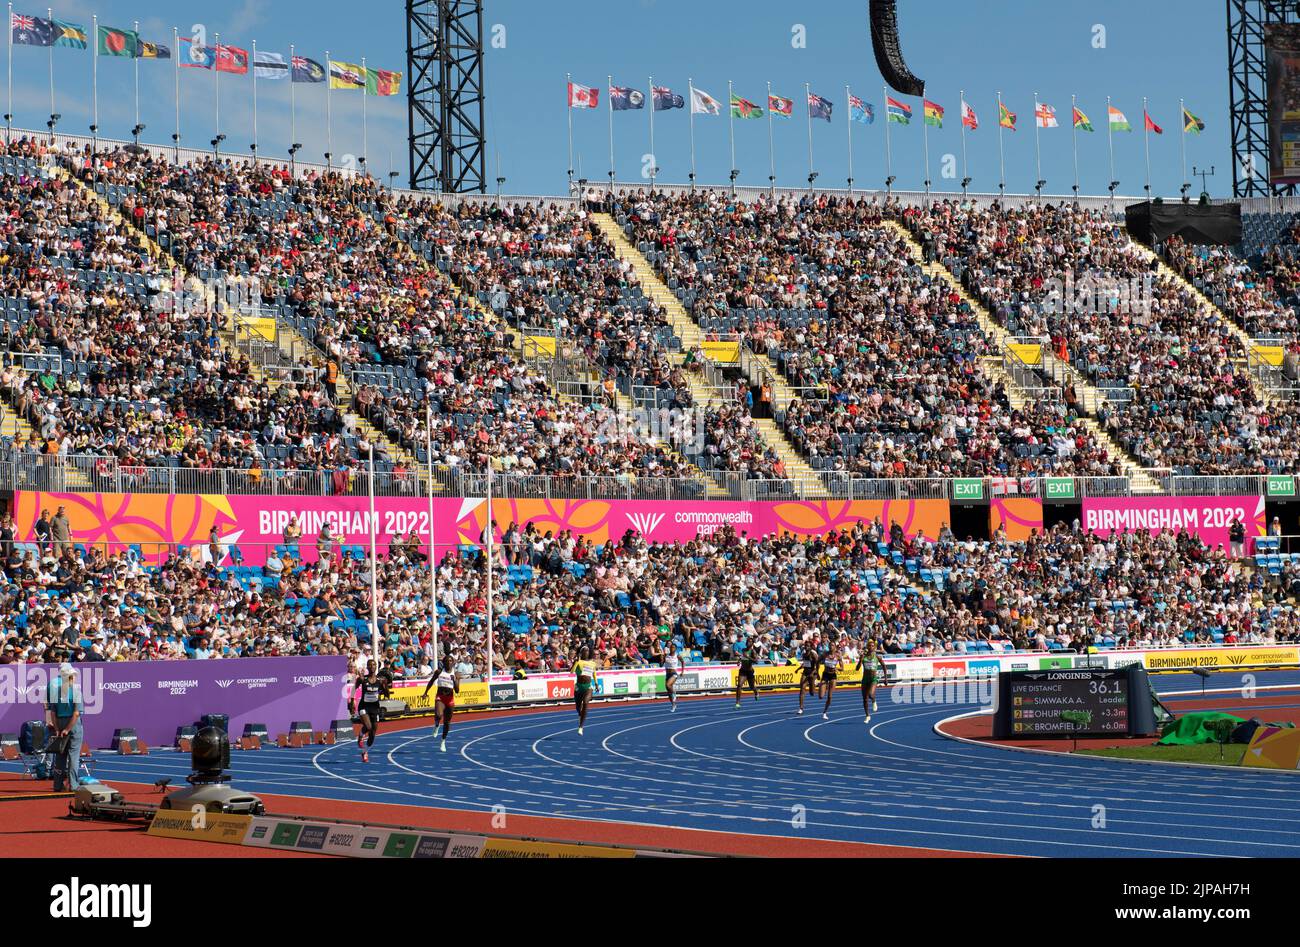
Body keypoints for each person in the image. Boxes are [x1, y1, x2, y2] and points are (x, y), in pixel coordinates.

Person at [45, 662, 83, 791]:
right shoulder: (76, 691)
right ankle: (73, 784)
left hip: (59, 722)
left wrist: (57, 729)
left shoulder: (56, 691)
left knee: (60, 756)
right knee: (74, 756)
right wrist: (67, 729)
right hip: (72, 725)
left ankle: (57, 784)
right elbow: (76, 713)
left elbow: (53, 712)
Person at [349, 659, 388, 763]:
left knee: (373, 734)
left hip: (375, 708)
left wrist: (385, 686)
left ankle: (365, 752)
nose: (372, 667)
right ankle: (361, 735)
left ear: (376, 667)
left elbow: (387, 694)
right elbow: (354, 689)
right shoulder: (362, 679)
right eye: (370, 665)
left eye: (374, 665)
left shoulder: (380, 680)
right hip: (364, 707)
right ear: (367, 667)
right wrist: (352, 701)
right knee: (368, 727)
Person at [421, 655, 459, 752]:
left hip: (450, 699)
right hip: (440, 697)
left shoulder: (456, 674)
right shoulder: (439, 672)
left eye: (451, 661)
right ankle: (437, 724)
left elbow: (457, 690)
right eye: (447, 661)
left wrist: (454, 680)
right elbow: (431, 681)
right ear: (444, 662)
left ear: (453, 663)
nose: (449, 663)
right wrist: (425, 692)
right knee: (438, 714)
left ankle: (443, 741)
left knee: (447, 723)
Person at [858, 638, 887, 724]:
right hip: (865, 679)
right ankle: (867, 716)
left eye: (872, 646)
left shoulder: (877, 656)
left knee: (870, 694)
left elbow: (884, 666)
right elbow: (857, 669)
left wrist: (885, 678)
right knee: (865, 699)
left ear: (874, 648)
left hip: (873, 679)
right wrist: (860, 660)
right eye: (869, 646)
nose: (871, 647)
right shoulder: (864, 656)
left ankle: (874, 700)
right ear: (867, 647)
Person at [572, 645, 598, 735]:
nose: (586, 651)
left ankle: (581, 727)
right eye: (584, 650)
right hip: (578, 687)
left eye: (587, 650)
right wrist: (575, 662)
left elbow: (594, 674)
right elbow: (572, 672)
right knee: (578, 707)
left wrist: (596, 684)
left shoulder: (593, 663)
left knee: (586, 703)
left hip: (588, 687)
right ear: (581, 653)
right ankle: (580, 714)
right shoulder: (579, 662)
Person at [796, 640, 820, 715]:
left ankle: (815, 684)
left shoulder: (813, 654)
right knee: (802, 688)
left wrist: (815, 673)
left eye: (808, 646)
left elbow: (817, 664)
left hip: (812, 673)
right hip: (805, 673)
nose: (806, 647)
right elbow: (805, 663)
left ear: (811, 647)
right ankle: (801, 708)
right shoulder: (804, 654)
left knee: (812, 693)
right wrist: (798, 669)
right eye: (805, 646)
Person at [735, 640, 759, 708]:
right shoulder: (743, 650)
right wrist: (739, 661)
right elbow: (741, 657)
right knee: (739, 685)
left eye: (750, 642)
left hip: (750, 671)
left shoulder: (753, 651)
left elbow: (756, 661)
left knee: (752, 687)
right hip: (743, 671)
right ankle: (738, 702)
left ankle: (756, 692)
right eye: (748, 641)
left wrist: (748, 657)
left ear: (752, 644)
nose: (748, 643)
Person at [820, 645, 840, 720]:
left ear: (835, 647)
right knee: (821, 696)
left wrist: (837, 668)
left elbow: (842, 668)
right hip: (825, 675)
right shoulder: (825, 654)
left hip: (833, 676)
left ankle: (825, 712)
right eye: (830, 645)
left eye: (832, 645)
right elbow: (818, 662)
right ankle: (825, 687)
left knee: (830, 696)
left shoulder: (838, 655)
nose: (831, 647)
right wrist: (817, 672)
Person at [663, 641, 683, 712]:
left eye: (673, 647)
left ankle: (674, 693)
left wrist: (682, 671)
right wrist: (662, 658)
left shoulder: (677, 656)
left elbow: (683, 662)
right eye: (671, 647)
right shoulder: (666, 655)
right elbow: (662, 663)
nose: (672, 649)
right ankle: (673, 704)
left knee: (668, 685)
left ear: (676, 649)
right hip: (667, 674)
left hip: (674, 673)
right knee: (668, 691)